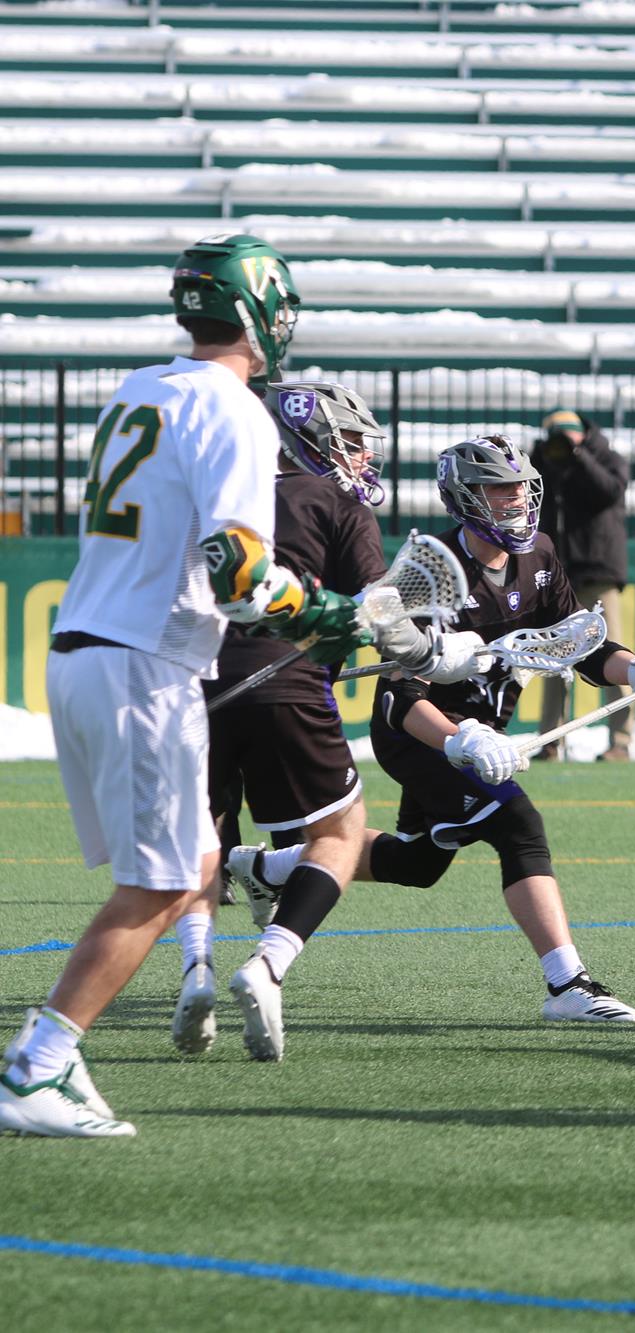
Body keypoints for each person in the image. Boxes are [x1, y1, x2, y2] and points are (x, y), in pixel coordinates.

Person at [0, 234, 368, 1136]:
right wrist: (322, 612)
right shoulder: (238, 410)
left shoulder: (137, 388)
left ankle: (57, 1060)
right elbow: (238, 569)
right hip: (146, 658)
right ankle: (35, 1068)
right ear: (263, 315)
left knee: (199, 855)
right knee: (160, 886)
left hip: (84, 648)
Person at [228, 435, 635, 1051]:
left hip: (483, 733)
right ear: (464, 497)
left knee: (416, 864)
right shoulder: (432, 575)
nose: (513, 502)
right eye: (497, 490)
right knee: (517, 823)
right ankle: (568, 986)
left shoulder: (540, 554)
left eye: (519, 488)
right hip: (422, 731)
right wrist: (460, 741)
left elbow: (577, 646)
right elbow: (401, 697)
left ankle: (268, 867)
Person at [188, 381, 484, 1061]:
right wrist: (443, 656)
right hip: (285, 687)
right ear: (308, 435)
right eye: (350, 441)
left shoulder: (216, 494)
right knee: (339, 835)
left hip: (191, 683)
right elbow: (388, 624)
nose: (359, 456)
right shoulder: (336, 503)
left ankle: (193, 972)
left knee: (201, 840)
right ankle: (266, 964)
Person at [531, 408, 631, 761]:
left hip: (597, 570)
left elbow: (608, 491)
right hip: (557, 574)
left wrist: (579, 456)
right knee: (554, 660)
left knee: (613, 652)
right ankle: (551, 740)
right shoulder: (543, 461)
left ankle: (620, 741)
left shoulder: (606, 458)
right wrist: (549, 458)